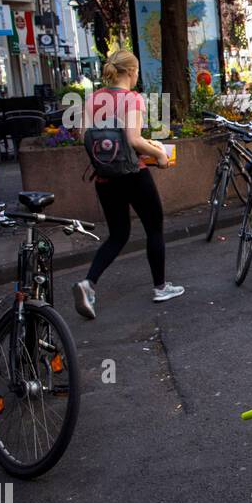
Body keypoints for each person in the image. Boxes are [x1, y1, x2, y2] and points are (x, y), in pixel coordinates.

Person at [72, 49, 184, 319]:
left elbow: (83, 136)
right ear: (132, 72)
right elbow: (133, 139)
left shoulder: (93, 99)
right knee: (153, 226)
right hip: (134, 174)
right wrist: (158, 153)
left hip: (105, 177)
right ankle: (160, 287)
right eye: (136, 73)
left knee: (119, 234)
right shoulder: (132, 99)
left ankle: (88, 284)